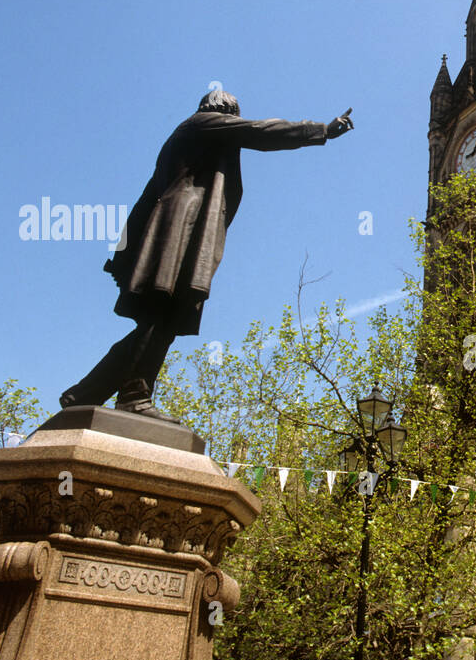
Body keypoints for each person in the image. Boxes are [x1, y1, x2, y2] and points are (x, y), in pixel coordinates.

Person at [59, 90, 353, 420]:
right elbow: (259, 131)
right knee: (161, 317)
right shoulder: (202, 124)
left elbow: (146, 197)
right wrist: (321, 131)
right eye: (232, 116)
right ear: (223, 110)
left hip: (171, 234)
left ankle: (86, 392)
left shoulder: (184, 139)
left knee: (161, 321)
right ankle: (133, 397)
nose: (233, 123)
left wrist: (123, 255)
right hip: (178, 232)